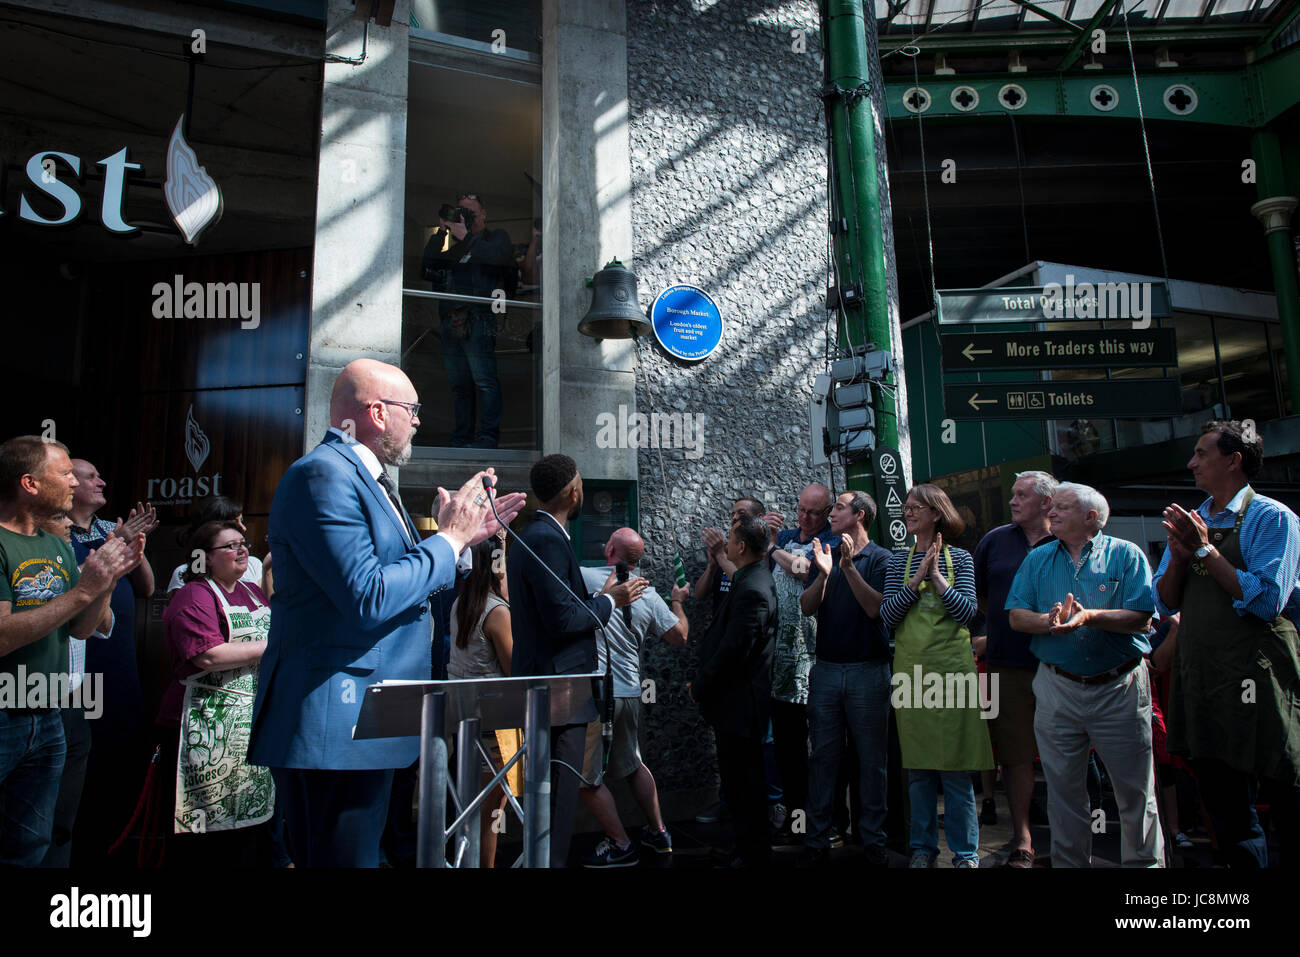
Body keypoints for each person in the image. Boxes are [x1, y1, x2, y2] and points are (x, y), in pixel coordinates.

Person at [248, 358, 526, 867]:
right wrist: (447, 540)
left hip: (376, 721)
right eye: (412, 409)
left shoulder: (372, 481)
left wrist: (463, 547)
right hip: (336, 722)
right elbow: (368, 596)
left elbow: (406, 598)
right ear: (376, 412)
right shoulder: (323, 475)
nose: (419, 419)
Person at [1154, 420, 1300, 867]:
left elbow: (1267, 601)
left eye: (1201, 453)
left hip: (1260, 674)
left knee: (1286, 794)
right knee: (1228, 812)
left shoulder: (1273, 518)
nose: (1191, 462)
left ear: (1233, 461)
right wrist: (1179, 560)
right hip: (1205, 676)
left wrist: (1205, 552)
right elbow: (1165, 600)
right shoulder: (1192, 522)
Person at [1007, 482, 1164, 868]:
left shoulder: (1127, 556)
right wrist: (1049, 621)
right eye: (1051, 508)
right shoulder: (1037, 559)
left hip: (1119, 687)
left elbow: (1142, 617)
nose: (1051, 513)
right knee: (1063, 793)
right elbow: (1015, 616)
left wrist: (1090, 617)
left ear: (1090, 518)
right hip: (1057, 687)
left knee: (1135, 796)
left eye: (1060, 507)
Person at [0, 436, 136, 866]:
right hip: (5, 710)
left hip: (51, 713)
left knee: (33, 846)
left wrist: (108, 576)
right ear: (30, 483)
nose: (74, 485)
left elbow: (80, 630)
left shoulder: (56, 545)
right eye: (64, 475)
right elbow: (2, 636)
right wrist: (82, 592)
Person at [507, 454, 646, 867]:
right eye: (581, 483)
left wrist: (596, 598)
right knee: (556, 801)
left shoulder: (535, 535)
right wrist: (610, 599)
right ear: (573, 490)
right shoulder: (547, 538)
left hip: (550, 688)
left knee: (550, 797)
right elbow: (563, 620)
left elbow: (559, 609)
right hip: (559, 691)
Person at [881, 483, 990, 868]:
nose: (907, 512)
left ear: (936, 513)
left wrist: (938, 576)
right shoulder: (897, 561)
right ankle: (923, 850)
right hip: (911, 672)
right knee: (919, 769)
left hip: (952, 672)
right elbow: (888, 617)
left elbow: (967, 613)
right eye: (906, 507)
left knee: (958, 770)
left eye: (915, 507)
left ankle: (965, 855)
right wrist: (916, 578)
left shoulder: (961, 559)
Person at [159, 520, 273, 864]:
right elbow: (208, 654)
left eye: (243, 544)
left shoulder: (252, 591)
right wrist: (275, 647)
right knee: (206, 837)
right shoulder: (193, 595)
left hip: (247, 727)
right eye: (230, 546)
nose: (241, 550)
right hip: (201, 725)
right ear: (205, 557)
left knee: (247, 829)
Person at [577, 527, 689, 867]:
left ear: (609, 548)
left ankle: (620, 843)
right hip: (629, 693)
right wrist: (678, 601)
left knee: (583, 778)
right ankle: (659, 833)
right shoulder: (650, 595)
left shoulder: (583, 578)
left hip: (598, 695)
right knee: (632, 764)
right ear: (637, 560)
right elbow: (680, 636)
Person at [66, 457, 158, 862]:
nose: (102, 481)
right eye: (91, 477)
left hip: (118, 660)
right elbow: (73, 590)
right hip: (77, 667)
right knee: (78, 762)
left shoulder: (108, 529)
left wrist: (131, 548)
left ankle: (108, 846)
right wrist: (114, 545)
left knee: (120, 755)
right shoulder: (53, 530)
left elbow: (148, 587)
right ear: (69, 485)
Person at [800, 490, 894, 866]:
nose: (830, 513)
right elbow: (807, 607)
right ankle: (817, 840)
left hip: (868, 672)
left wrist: (849, 566)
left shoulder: (882, 559)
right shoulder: (823, 555)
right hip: (825, 670)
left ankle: (873, 841)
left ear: (860, 515)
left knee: (871, 760)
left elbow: (876, 610)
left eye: (837, 507)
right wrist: (823, 573)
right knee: (823, 757)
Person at [972, 469, 1057, 868]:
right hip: (1008, 664)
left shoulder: (1068, 538)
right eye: (1012, 494)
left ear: (1046, 502)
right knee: (1015, 753)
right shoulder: (995, 541)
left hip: (1063, 663)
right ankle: (1021, 836)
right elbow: (981, 595)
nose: (1012, 501)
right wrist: (1006, 629)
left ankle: (1070, 830)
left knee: (1067, 751)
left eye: (1021, 495)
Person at [690, 513, 779, 868]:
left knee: (746, 786)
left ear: (741, 546)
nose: (725, 543)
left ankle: (754, 854)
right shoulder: (749, 578)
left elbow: (734, 651)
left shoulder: (754, 589)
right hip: (732, 705)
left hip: (741, 706)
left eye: (730, 538)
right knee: (736, 782)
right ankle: (743, 846)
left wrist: (699, 685)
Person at [38, 511, 114, 868]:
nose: (70, 524)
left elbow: (100, 626)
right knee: (28, 816)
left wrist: (104, 585)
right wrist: (84, 589)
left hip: (74, 697)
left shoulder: (76, 561)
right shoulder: (31, 567)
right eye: (59, 516)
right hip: (28, 695)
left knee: (63, 817)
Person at [765, 483, 837, 838]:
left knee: (822, 750)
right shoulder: (787, 535)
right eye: (801, 510)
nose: (806, 519)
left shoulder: (833, 540)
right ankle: (797, 822)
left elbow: (803, 568)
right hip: (781, 662)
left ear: (827, 513)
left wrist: (772, 547)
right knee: (788, 748)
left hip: (819, 659)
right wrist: (765, 532)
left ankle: (829, 822)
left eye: (814, 513)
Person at [421, 192, 515, 449]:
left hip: (480, 318)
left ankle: (487, 439)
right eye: (461, 212)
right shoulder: (456, 246)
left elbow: (499, 258)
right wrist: (442, 232)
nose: (466, 217)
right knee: (459, 386)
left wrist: (466, 235)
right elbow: (427, 268)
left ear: (484, 214)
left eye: (471, 212)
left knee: (484, 382)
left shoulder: (495, 238)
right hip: (451, 321)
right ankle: (461, 438)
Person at [447, 535, 516, 868]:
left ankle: (470, 859)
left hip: (463, 717)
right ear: (496, 567)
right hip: (494, 721)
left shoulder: (461, 604)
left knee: (473, 804)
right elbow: (514, 668)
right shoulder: (497, 612)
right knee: (493, 807)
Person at [165, 496, 263, 594]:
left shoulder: (253, 564)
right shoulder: (184, 573)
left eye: (241, 521)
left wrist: (267, 572)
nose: (243, 528)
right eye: (234, 523)